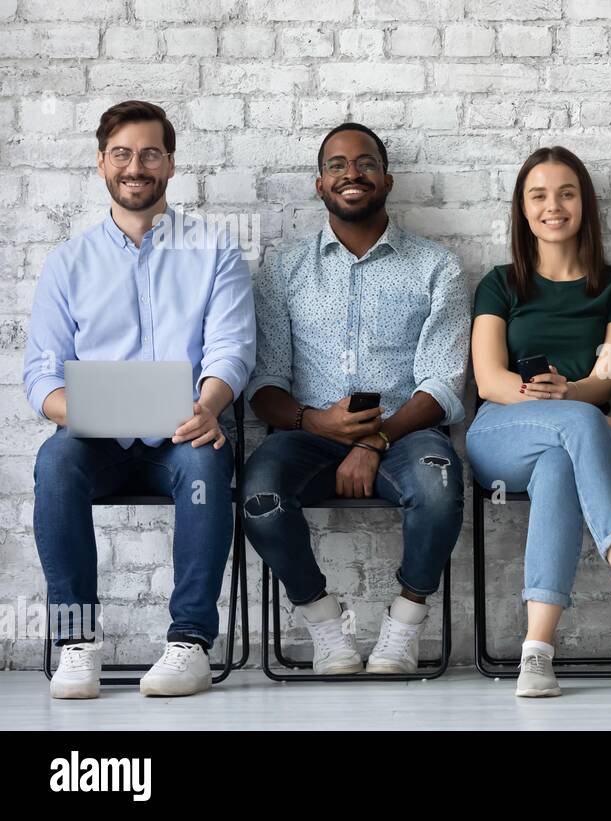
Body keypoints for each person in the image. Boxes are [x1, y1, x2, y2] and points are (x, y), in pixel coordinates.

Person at [23, 100, 255, 698]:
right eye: (122, 153)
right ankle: (76, 643)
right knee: (54, 463)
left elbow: (231, 347)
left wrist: (210, 404)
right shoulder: (68, 264)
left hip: (182, 432)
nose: (136, 166)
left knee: (207, 464)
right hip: (95, 438)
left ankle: (190, 643)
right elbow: (40, 375)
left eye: (150, 153)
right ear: (101, 163)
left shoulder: (214, 250)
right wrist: (86, 413)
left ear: (170, 164)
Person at [467, 146, 611, 698]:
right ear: (522, 209)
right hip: (499, 432)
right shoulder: (500, 282)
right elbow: (488, 380)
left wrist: (576, 399)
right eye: (538, 195)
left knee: (559, 470)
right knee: (581, 425)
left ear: (585, 204)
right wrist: (574, 409)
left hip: (564, 441)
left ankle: (536, 655)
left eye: (566, 193)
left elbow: (610, 377)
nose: (553, 206)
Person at [242, 123, 469, 676]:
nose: (352, 174)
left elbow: (442, 385)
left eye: (365, 163)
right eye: (338, 165)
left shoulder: (436, 266)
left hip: (407, 436)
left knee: (440, 488)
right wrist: (317, 423)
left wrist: (375, 439)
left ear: (386, 179)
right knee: (258, 497)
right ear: (319, 185)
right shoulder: (283, 268)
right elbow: (263, 386)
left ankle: (404, 625)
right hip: (306, 436)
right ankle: (324, 626)